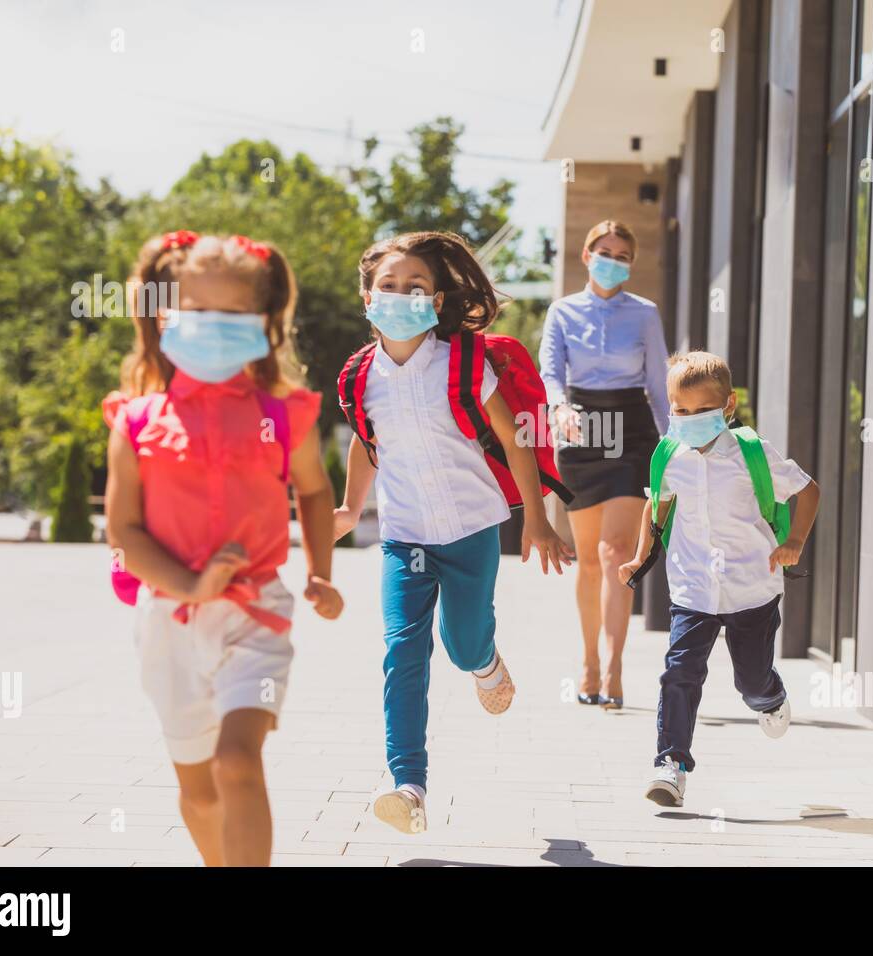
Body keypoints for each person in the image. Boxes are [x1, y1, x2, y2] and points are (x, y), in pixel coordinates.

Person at [104, 231, 342, 866]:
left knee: (238, 759)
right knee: (200, 792)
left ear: (264, 323)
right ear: (164, 317)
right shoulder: (135, 421)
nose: (214, 328)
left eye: (233, 314)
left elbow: (315, 493)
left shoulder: (285, 412)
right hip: (168, 627)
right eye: (198, 312)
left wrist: (321, 572)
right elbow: (122, 531)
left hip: (257, 615)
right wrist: (191, 585)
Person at [333, 231, 575, 835]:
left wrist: (538, 520)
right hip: (405, 536)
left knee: (464, 644)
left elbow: (515, 439)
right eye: (386, 286)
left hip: (471, 526)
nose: (399, 295)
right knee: (402, 651)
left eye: (414, 287)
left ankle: (485, 661)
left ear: (436, 301)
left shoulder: (463, 362)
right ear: (367, 297)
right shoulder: (360, 377)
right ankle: (408, 785)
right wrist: (347, 509)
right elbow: (369, 445)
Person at [617, 351, 820, 807]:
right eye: (679, 410)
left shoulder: (753, 454)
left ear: (727, 406)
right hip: (692, 589)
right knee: (679, 674)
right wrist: (638, 557)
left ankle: (769, 696)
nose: (687, 419)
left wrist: (796, 543)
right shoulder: (669, 455)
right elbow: (658, 505)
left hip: (753, 588)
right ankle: (670, 764)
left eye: (700, 410)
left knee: (749, 680)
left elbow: (808, 490)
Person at [539, 220, 670, 710]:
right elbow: (550, 370)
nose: (611, 260)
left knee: (619, 552)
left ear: (631, 264)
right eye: (604, 251)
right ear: (586, 254)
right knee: (589, 559)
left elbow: (658, 383)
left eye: (621, 254)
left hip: (631, 430)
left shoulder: (645, 314)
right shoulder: (562, 311)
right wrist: (558, 407)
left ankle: (615, 669)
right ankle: (589, 663)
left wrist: (672, 446)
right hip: (580, 429)